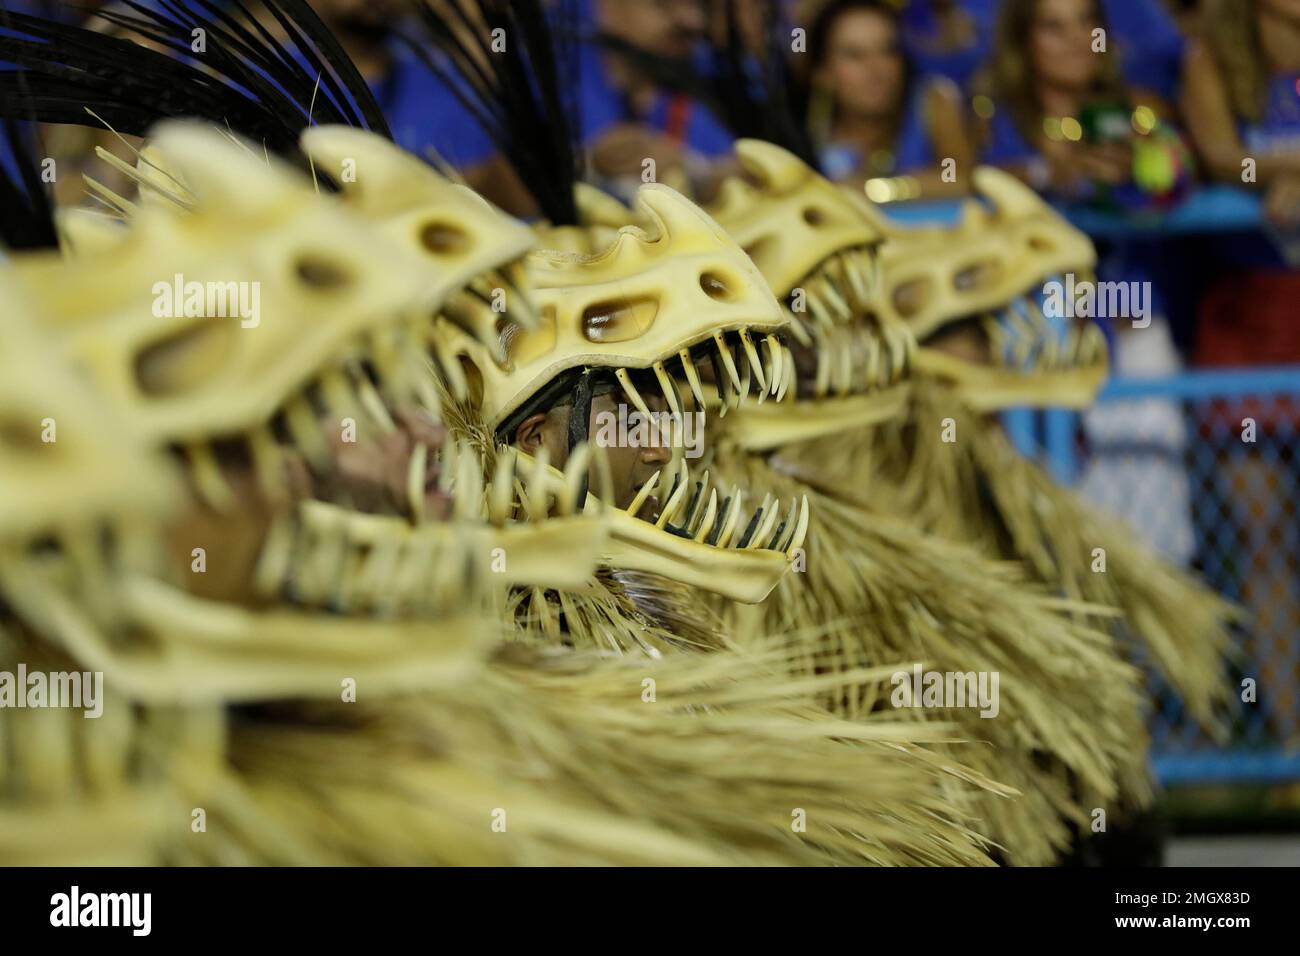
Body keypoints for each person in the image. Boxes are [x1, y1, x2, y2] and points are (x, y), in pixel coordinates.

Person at [804, 0, 974, 196]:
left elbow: (957, 179)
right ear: (822, 73)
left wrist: (872, 190)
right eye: (855, 55)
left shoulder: (932, 100)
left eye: (888, 50)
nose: (876, 69)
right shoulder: (805, 126)